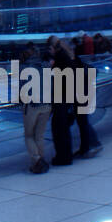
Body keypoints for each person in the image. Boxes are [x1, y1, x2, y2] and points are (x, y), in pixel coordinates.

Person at [46, 37, 79, 166]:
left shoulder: (60, 59)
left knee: (59, 129)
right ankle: (66, 155)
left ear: (52, 47)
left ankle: (63, 157)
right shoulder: (66, 56)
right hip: (67, 98)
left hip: (62, 98)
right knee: (63, 128)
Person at [18, 46, 51, 174]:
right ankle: (41, 161)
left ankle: (37, 161)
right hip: (47, 104)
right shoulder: (46, 65)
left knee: (29, 135)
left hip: (32, 105)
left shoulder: (23, 68)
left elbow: (22, 88)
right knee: (40, 135)